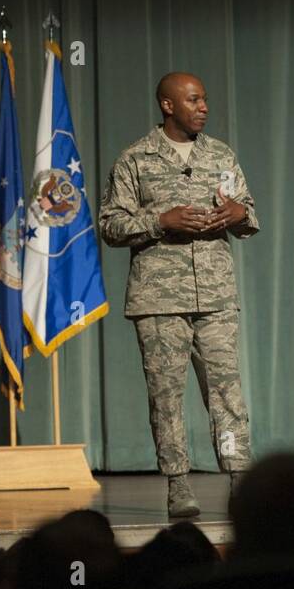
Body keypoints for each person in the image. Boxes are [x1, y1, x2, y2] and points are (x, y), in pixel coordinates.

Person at [99, 72, 260, 519]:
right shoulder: (135, 159)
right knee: (166, 395)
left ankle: (238, 479)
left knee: (226, 393)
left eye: (205, 99)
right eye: (193, 100)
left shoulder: (220, 154)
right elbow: (110, 224)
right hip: (159, 300)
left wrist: (237, 212)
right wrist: (159, 221)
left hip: (215, 296)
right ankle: (178, 483)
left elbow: (248, 213)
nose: (203, 106)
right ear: (168, 106)